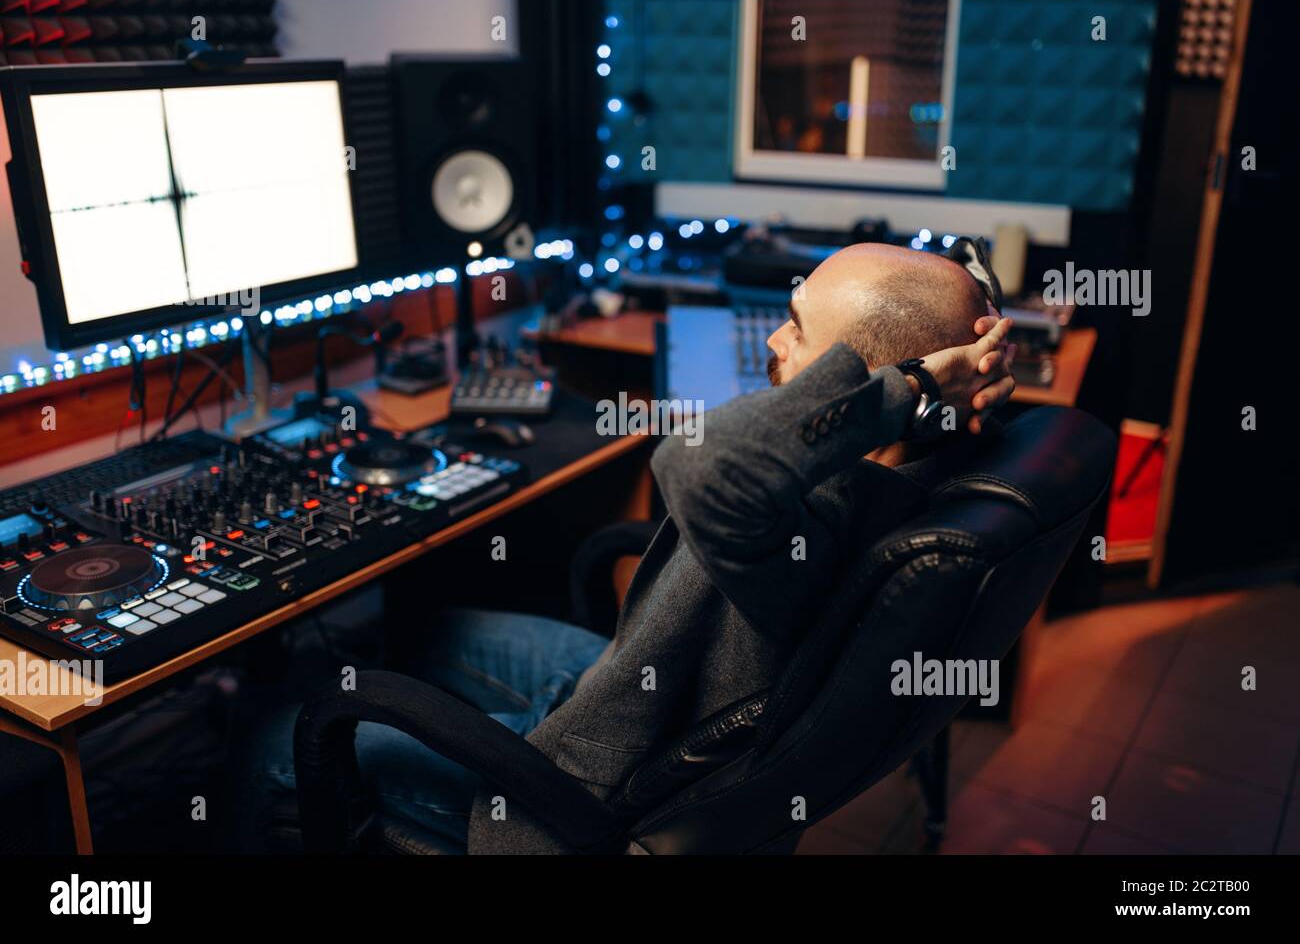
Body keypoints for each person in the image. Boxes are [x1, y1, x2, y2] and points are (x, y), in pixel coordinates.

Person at [240, 240, 1016, 853]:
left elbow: (699, 463)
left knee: (264, 741)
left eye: (800, 328)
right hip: (630, 694)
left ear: (867, 386)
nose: (775, 339)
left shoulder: (820, 515)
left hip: (580, 793)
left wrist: (903, 387)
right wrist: (927, 390)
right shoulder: (909, 472)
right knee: (418, 629)